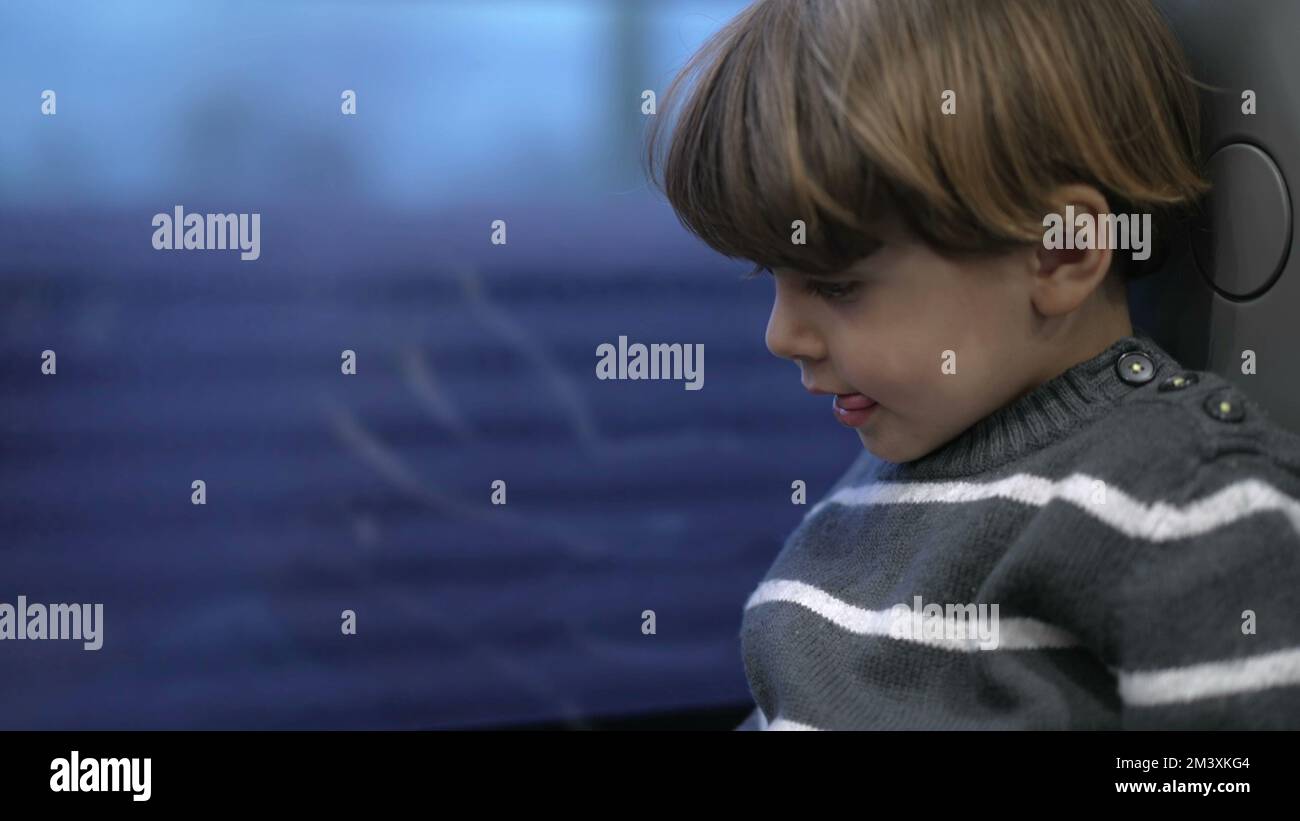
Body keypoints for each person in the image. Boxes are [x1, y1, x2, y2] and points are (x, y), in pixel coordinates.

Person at [644, 0, 1300, 729]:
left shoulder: (1189, 503)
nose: (782, 335)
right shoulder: (882, 491)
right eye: (772, 275)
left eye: (835, 285)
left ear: (1058, 253)